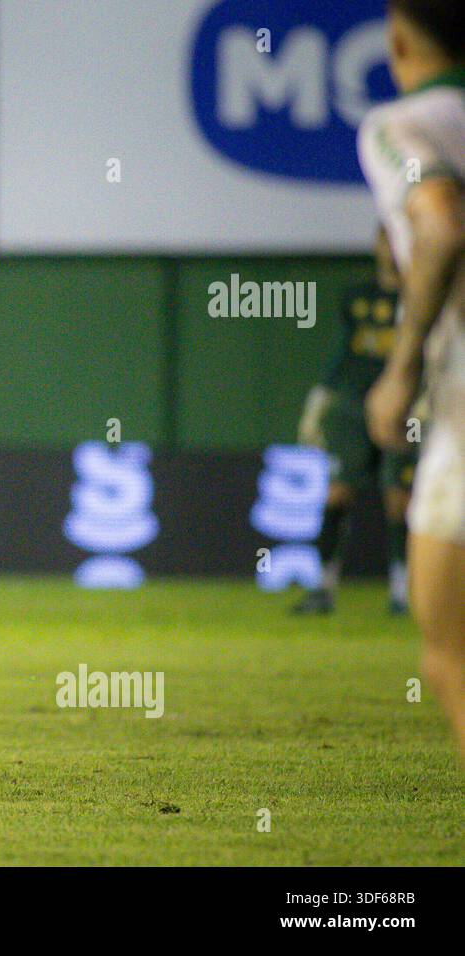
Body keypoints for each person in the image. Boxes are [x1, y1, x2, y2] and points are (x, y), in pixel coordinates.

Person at [359, 0, 465, 765]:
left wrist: (401, 372)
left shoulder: (401, 125)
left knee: (451, 656)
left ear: (398, 39)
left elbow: (439, 223)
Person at [293, 227, 417, 615]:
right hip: (352, 409)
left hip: (406, 408)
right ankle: (323, 588)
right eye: (387, 240)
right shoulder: (358, 298)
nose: (392, 250)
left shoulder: (423, 293)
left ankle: (403, 592)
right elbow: (341, 355)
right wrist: (316, 407)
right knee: (337, 494)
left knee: (400, 500)